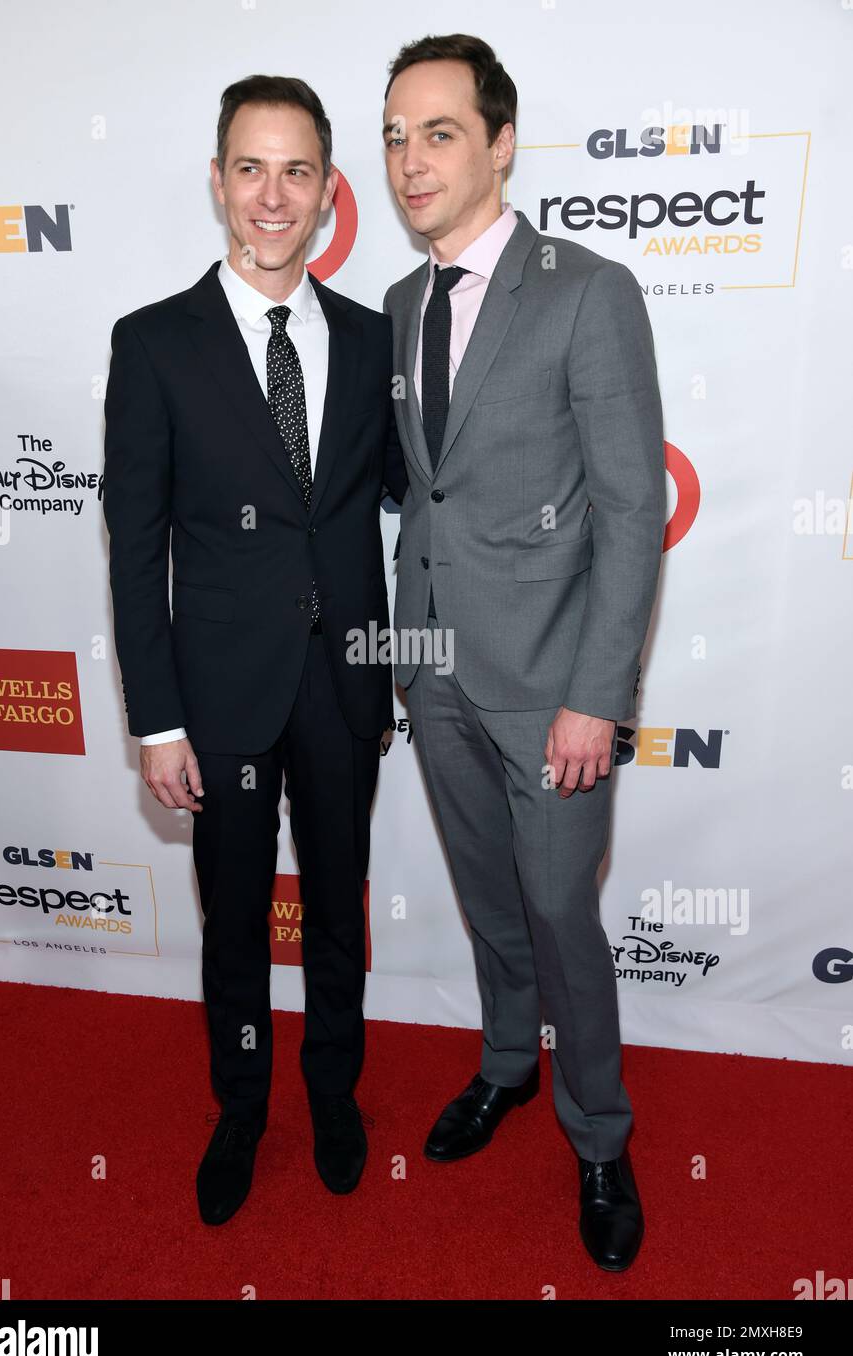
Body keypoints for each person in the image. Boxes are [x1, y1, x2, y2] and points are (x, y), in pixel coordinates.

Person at [381, 34, 666, 1271]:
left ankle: (599, 1134)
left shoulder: (585, 288)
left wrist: (596, 698)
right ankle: (505, 1065)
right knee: (493, 903)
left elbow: (631, 509)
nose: (409, 161)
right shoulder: (400, 304)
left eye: (438, 132)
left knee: (559, 911)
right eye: (394, 136)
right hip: (432, 668)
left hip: (552, 686)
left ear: (501, 144)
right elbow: (422, 495)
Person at [103, 75, 406, 1226]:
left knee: (338, 905)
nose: (272, 196)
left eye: (296, 172)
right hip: (218, 701)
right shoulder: (153, 345)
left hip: (343, 690)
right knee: (233, 923)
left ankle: (335, 1093)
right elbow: (134, 549)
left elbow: (401, 505)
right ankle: (243, 1106)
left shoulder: (375, 339)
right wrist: (156, 719)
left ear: (330, 192)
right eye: (249, 167)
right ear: (217, 182)